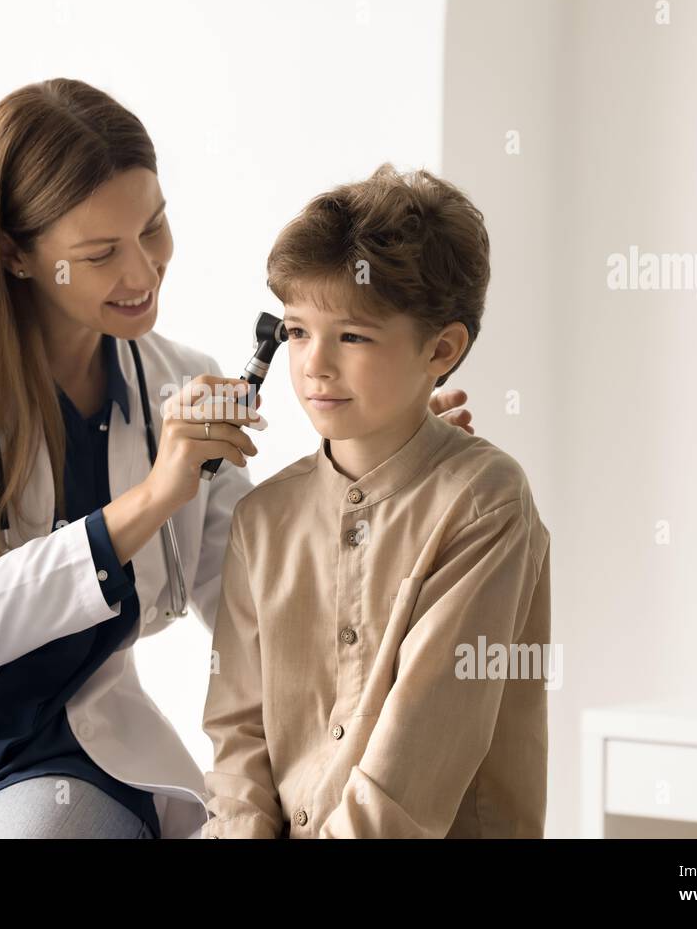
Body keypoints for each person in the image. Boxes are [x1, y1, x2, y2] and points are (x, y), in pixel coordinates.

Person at [0, 80, 476, 839]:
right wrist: (152, 498)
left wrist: (386, 463)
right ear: (15, 254)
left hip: (68, 752)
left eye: (154, 228)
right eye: (100, 254)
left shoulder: (176, 382)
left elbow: (258, 603)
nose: (143, 272)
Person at [201, 164, 550, 838]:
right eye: (298, 331)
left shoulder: (484, 504)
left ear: (441, 349)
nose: (314, 364)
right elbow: (237, 737)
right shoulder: (262, 518)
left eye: (351, 335)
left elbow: (411, 774)